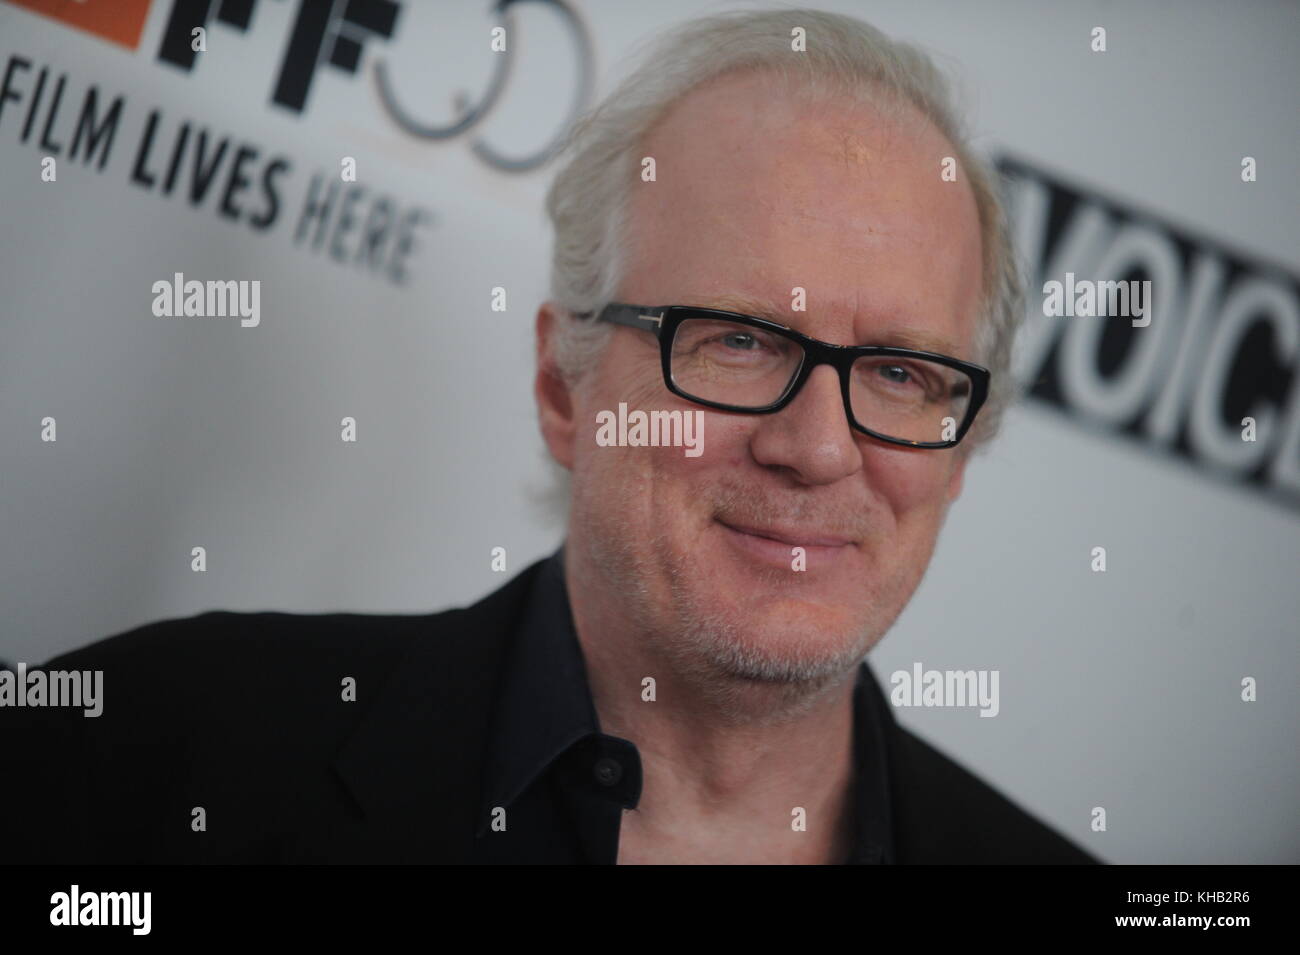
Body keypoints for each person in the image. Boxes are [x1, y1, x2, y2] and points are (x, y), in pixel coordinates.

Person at [1, 8, 1096, 864]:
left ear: (959, 449)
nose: (814, 447)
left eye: (902, 373)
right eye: (737, 342)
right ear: (562, 387)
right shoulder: (146, 756)